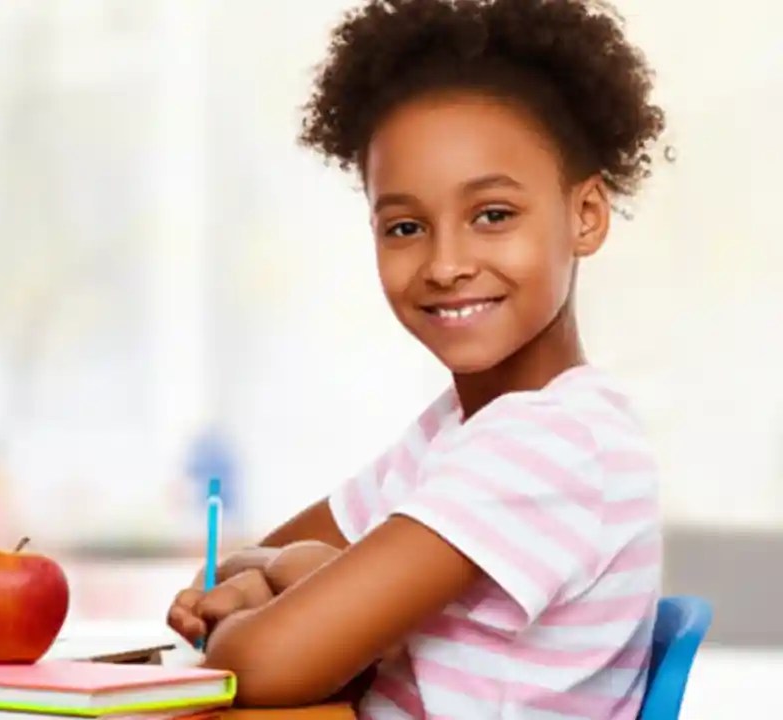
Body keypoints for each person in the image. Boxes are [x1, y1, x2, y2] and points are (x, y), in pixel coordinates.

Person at [166, 0, 667, 715]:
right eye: (405, 226)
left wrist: (293, 580)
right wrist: (294, 578)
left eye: (492, 215)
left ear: (585, 215)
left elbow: (257, 662)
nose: (446, 264)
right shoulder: (461, 433)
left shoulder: (550, 445)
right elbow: (239, 573)